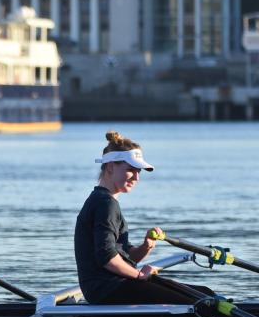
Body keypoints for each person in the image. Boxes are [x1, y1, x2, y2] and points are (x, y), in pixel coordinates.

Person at [74, 131, 212, 305]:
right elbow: (107, 259)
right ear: (110, 167)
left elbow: (121, 255)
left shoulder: (102, 201)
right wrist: (140, 275)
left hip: (110, 285)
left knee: (204, 293)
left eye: (138, 171)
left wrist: (145, 247)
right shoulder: (105, 204)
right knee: (201, 302)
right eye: (131, 170)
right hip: (106, 288)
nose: (137, 177)